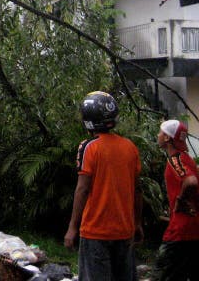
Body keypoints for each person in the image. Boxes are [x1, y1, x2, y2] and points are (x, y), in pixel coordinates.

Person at [64, 91, 142, 280]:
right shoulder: (130, 147)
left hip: (96, 232)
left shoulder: (88, 147)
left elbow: (82, 189)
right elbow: (138, 190)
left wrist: (72, 227)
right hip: (124, 231)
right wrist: (137, 223)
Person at [154, 120, 199, 280]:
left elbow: (191, 181)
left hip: (180, 231)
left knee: (163, 275)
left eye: (161, 132)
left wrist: (180, 200)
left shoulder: (175, 159)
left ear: (167, 138)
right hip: (194, 230)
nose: (158, 135)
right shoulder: (188, 159)